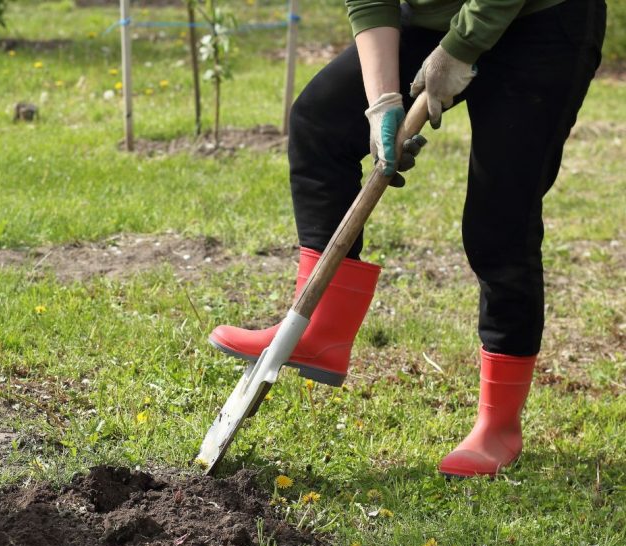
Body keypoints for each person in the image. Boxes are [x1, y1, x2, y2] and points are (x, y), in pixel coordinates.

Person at [208, 0, 606, 477]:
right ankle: (318, 333)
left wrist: (460, 49)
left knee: (499, 221)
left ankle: (498, 427)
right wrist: (381, 107)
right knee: (322, 123)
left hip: (542, 21)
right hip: (434, 18)